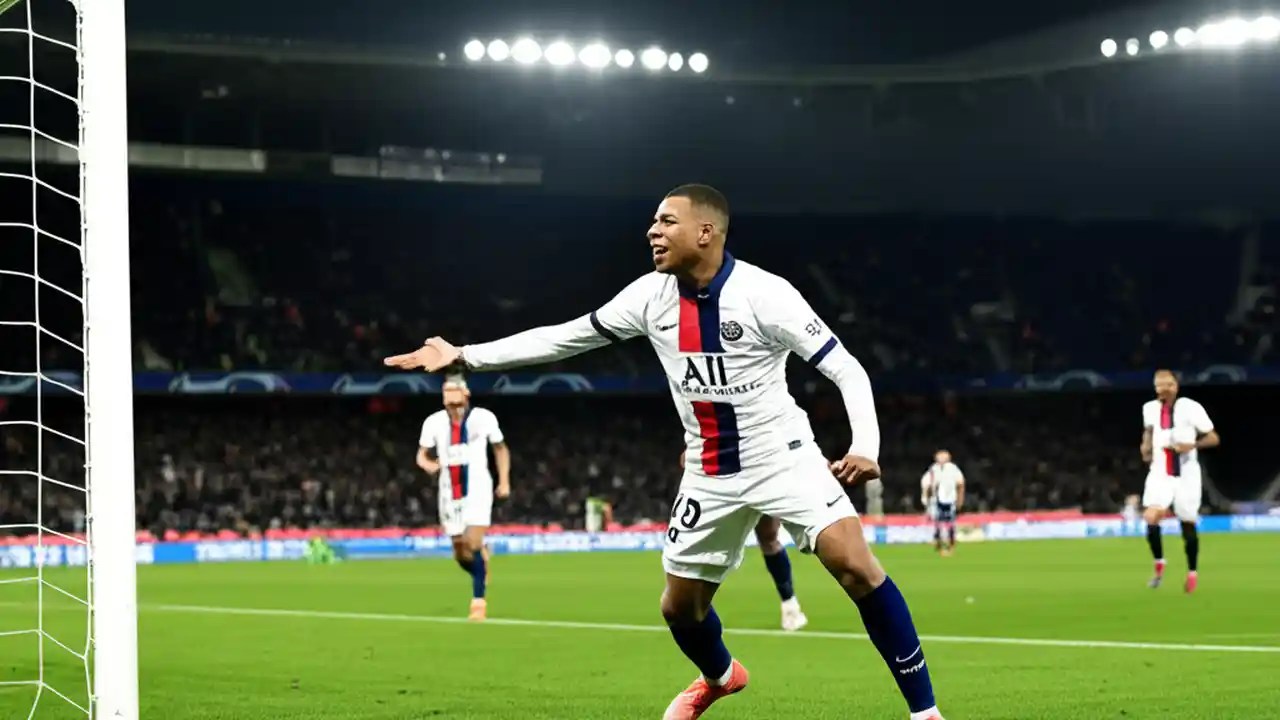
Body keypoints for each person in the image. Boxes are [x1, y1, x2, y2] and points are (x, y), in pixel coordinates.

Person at [387, 184, 943, 720]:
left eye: (665, 221)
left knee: (854, 564)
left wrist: (865, 446)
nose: (652, 231)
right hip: (707, 470)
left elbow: (845, 367)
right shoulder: (648, 298)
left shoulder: (764, 294)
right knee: (679, 609)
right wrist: (463, 354)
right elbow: (564, 336)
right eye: (653, 222)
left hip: (783, 454)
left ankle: (926, 711)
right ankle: (721, 678)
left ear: (706, 231)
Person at [416, 373, 511, 620]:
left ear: (466, 394)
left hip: (478, 487)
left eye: (454, 392)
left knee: (473, 542)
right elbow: (422, 454)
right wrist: (428, 464)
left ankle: (478, 601)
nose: (450, 398)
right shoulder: (434, 422)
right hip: (449, 491)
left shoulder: (483, 418)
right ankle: (480, 564)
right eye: (446, 393)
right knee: (460, 551)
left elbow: (500, 449)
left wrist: (504, 481)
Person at [680, 449, 808, 632]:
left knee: (768, 537)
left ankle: (790, 604)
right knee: (713, 539)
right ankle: (694, 603)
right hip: (725, 478)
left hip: (761, 471)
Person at [1139, 369, 1218, 593]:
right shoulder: (1149, 408)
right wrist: (1145, 445)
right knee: (1151, 517)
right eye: (1159, 385)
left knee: (1187, 525)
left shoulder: (1191, 407)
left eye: (1168, 384)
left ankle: (1192, 572)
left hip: (1186, 475)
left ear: (1176, 386)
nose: (1163, 388)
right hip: (1160, 472)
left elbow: (1213, 438)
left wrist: (1190, 446)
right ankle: (1159, 563)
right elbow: (1148, 430)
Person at [920, 451, 964, 556]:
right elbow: (926, 484)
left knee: (950, 523)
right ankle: (938, 543)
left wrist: (960, 499)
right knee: (937, 522)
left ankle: (951, 544)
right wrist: (925, 496)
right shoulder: (933, 469)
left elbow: (961, 483)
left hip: (950, 499)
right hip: (937, 499)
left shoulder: (953, 469)